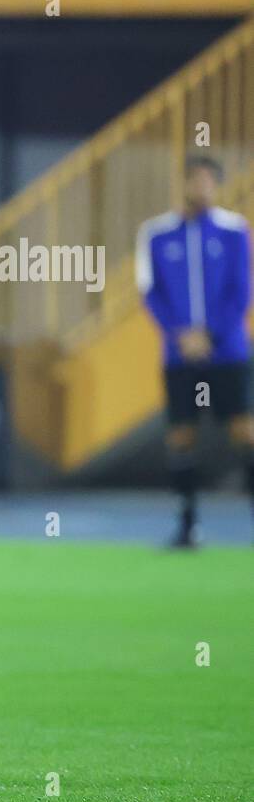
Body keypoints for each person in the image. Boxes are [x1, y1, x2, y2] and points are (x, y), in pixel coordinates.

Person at [137, 156, 252, 548]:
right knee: (182, 435)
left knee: (244, 430)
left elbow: (241, 291)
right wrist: (179, 336)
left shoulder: (234, 231)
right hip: (179, 356)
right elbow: (151, 293)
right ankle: (187, 526)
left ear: (216, 186)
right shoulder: (157, 234)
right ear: (184, 182)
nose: (201, 187)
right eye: (195, 180)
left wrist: (212, 336)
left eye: (208, 181)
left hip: (228, 354)